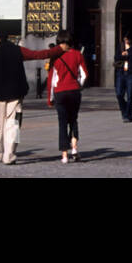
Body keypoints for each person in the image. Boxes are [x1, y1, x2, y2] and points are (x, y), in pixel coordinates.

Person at [0, 33, 53, 164]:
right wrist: (58, 49)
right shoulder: (18, 50)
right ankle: (10, 155)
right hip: (16, 92)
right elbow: (37, 54)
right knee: (14, 125)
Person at [47, 30, 88, 164]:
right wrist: (78, 84)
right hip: (74, 91)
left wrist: (50, 98)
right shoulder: (77, 55)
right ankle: (74, 148)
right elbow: (84, 75)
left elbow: (52, 80)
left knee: (62, 123)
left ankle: (64, 155)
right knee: (73, 120)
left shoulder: (56, 57)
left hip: (60, 92)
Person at [113, 33, 132, 122]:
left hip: (131, 73)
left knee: (130, 95)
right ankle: (124, 111)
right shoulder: (120, 46)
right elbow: (116, 57)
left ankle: (128, 115)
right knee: (119, 93)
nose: (126, 41)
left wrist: (128, 53)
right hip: (121, 72)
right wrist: (122, 55)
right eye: (125, 39)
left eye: (128, 39)